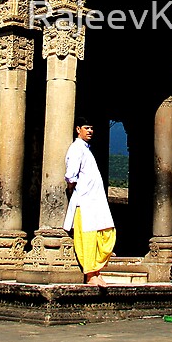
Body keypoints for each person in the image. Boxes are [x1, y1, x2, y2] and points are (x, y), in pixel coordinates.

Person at [63, 118, 115, 286]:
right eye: (87, 128)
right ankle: (90, 275)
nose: (90, 131)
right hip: (84, 201)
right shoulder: (76, 148)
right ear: (78, 129)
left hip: (96, 200)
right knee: (88, 238)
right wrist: (73, 189)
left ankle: (97, 271)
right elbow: (71, 175)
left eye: (92, 128)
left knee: (106, 233)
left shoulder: (86, 150)